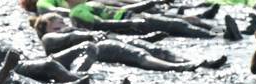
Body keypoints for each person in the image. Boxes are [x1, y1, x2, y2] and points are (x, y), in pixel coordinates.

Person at [37, 18, 229, 71]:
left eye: (63, 22)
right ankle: (179, 67)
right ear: (46, 28)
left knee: (155, 49)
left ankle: (198, 61)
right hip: (100, 48)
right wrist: (86, 33)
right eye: (57, 24)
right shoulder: (48, 38)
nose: (63, 26)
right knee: (138, 54)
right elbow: (72, 38)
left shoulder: (66, 32)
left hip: (105, 41)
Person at [26, 0, 229, 39]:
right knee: (176, 25)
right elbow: (100, 25)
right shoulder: (77, 13)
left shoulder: (87, 5)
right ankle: (217, 35)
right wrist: (128, 24)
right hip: (131, 24)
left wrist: (147, 3)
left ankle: (216, 31)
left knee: (176, 22)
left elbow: (121, 7)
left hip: (133, 17)